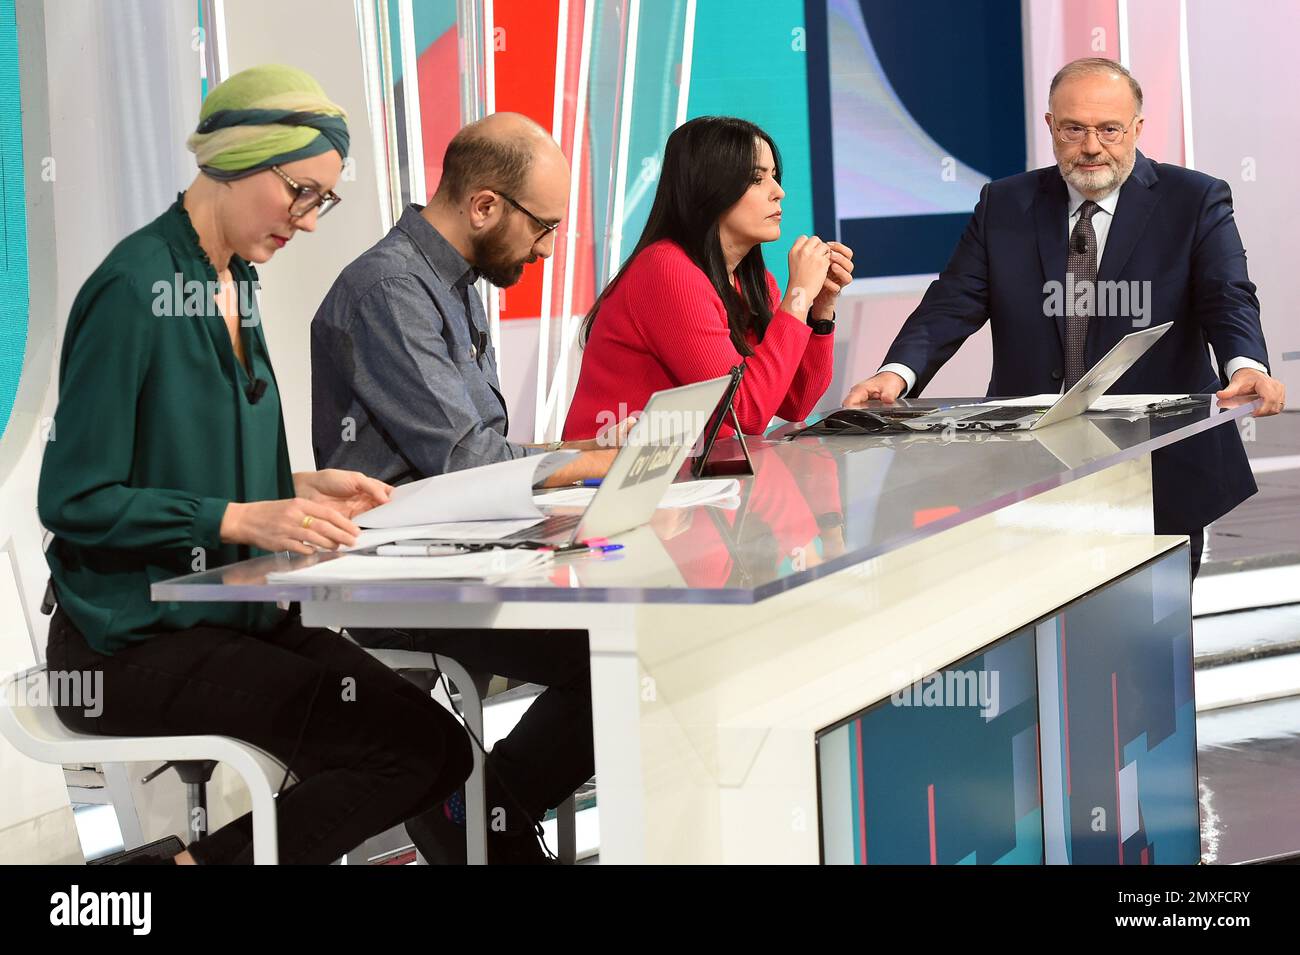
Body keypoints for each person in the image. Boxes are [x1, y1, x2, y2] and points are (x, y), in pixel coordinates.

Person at [37, 65, 471, 865]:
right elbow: (75, 497)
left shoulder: (236, 280)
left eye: (323, 201)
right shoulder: (135, 288)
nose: (309, 221)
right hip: (124, 643)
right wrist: (240, 517)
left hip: (226, 614)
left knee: (439, 749)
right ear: (243, 158)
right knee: (396, 753)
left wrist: (295, 488)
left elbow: (186, 465)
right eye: (303, 193)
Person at [845, 58, 1284, 578]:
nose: (1092, 146)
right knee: (1044, 634)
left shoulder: (1194, 199)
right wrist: (896, 373)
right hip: (1033, 467)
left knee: (1150, 637)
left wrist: (1245, 363)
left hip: (1158, 469)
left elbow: (1226, 295)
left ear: (1137, 129)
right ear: (1051, 126)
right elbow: (952, 301)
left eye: (1109, 130)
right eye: (1074, 129)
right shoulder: (1005, 202)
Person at [312, 113, 615, 863]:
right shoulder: (388, 292)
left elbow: (484, 456)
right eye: (542, 227)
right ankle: (472, 815)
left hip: (465, 559)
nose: (546, 249)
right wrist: (585, 466)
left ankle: (482, 809)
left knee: (635, 645)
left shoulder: (450, 283)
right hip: (408, 585)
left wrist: (589, 458)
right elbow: (467, 459)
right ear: (484, 205)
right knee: (621, 655)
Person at [562, 115, 853, 441]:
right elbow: (745, 411)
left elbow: (795, 402)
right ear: (710, 189)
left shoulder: (755, 282)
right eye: (757, 179)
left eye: (775, 176)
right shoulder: (665, 271)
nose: (779, 192)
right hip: (604, 479)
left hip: (687, 477)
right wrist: (798, 295)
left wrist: (820, 309)